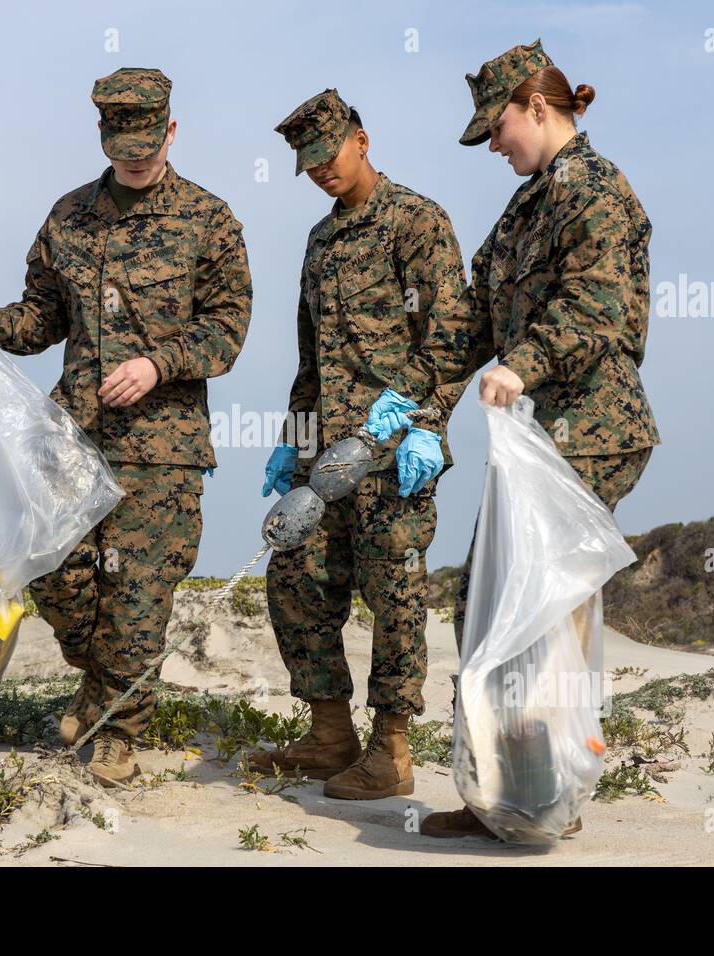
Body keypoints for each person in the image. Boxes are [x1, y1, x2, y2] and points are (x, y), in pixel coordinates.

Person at [375, 40, 660, 838]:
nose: (493, 146)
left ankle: (545, 797)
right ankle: (506, 794)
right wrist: (418, 392)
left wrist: (521, 364)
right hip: (535, 435)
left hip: (591, 425)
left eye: (497, 128)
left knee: (536, 607)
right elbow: (472, 315)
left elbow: (595, 307)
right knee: (496, 602)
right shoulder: (529, 201)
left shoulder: (597, 193)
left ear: (538, 106)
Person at [0, 67, 252, 786]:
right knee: (56, 575)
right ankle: (102, 680)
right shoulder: (68, 218)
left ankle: (118, 730)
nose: (137, 159)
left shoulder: (208, 219)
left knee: (140, 593)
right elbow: (42, 318)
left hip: (165, 445)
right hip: (72, 437)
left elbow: (227, 332)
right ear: (102, 136)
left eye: (148, 145)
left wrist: (159, 363)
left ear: (172, 131)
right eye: (123, 147)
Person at [248, 89, 472, 800]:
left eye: (328, 155)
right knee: (296, 577)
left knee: (394, 592)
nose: (320, 171)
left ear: (362, 140)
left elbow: (450, 338)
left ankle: (393, 750)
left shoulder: (418, 221)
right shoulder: (320, 242)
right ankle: (329, 735)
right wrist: (295, 443)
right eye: (307, 163)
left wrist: (425, 421)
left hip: (394, 450)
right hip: (327, 462)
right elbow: (310, 359)